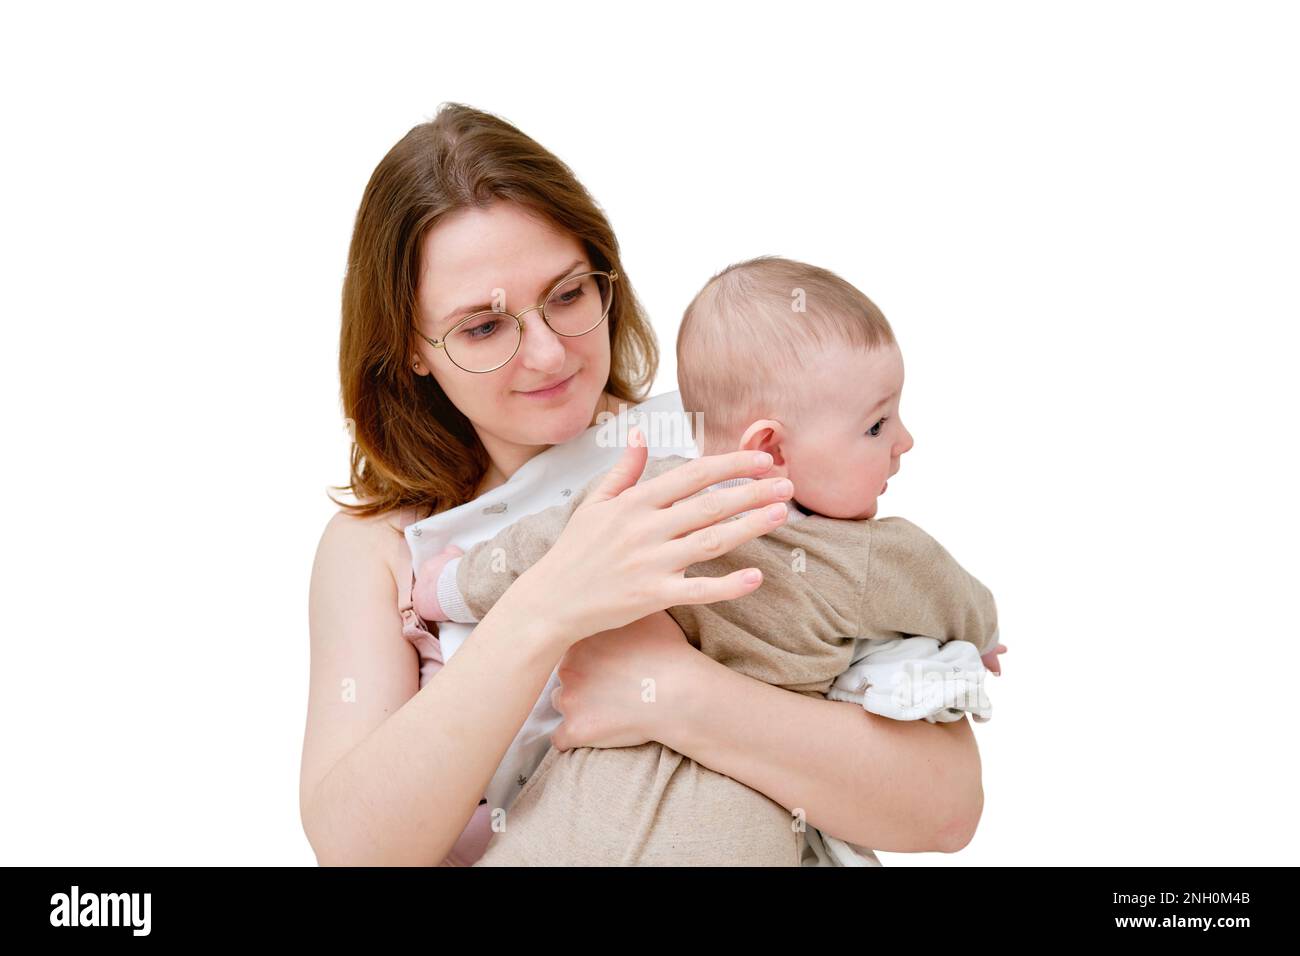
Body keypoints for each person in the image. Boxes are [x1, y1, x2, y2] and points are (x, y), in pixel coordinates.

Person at [299, 103, 986, 866]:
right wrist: (547, 607)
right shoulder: (379, 547)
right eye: (484, 328)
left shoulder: (727, 446)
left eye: (567, 295)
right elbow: (355, 852)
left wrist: (674, 689)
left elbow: (946, 811)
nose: (552, 356)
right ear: (412, 350)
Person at [413, 256, 1001, 866]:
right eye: (877, 426)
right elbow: (953, 596)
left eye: (567, 294)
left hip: (594, 793)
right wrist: (980, 639)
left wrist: (447, 585)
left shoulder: (647, 493)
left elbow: (532, 548)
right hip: (737, 809)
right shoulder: (866, 557)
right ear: (768, 446)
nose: (904, 441)